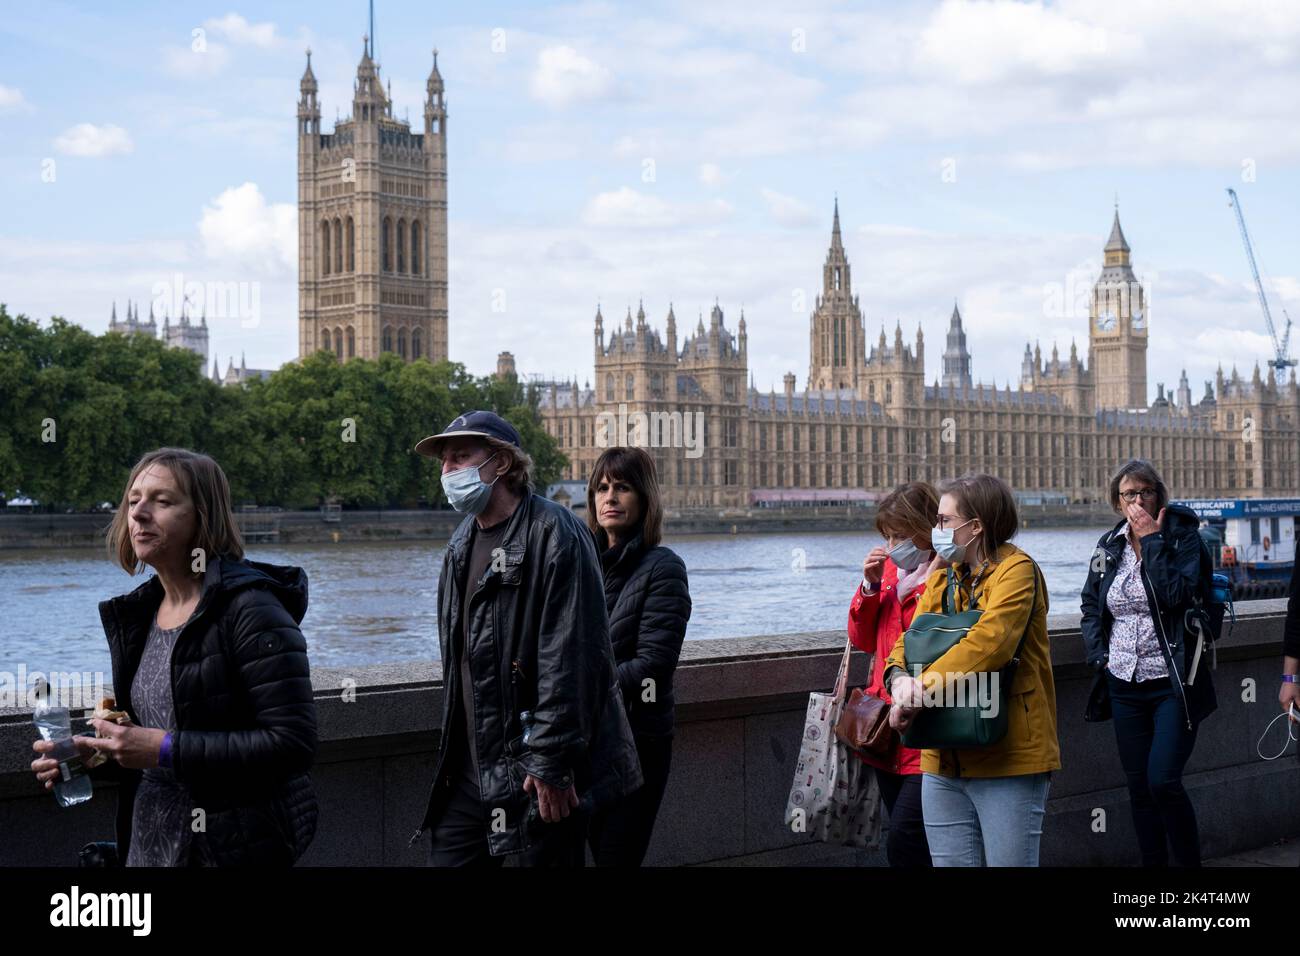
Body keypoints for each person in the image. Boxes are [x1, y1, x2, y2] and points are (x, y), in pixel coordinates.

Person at [31, 448, 318, 866]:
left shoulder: (253, 611)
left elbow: (293, 746)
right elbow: (154, 743)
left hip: (225, 849)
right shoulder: (140, 613)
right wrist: (95, 754)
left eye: (162, 501)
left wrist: (164, 748)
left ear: (204, 516)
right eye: (133, 501)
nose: (139, 514)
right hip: (149, 845)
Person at [409, 411, 642, 866]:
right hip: (468, 777)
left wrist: (551, 762)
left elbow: (572, 658)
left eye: (460, 457)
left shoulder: (556, 533)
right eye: (443, 461)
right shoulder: (459, 545)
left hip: (533, 778)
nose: (447, 470)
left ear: (499, 464)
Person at [882, 473, 1060, 867]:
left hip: (1009, 757)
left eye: (944, 521)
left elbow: (988, 645)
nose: (936, 530)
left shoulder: (1018, 572)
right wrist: (897, 682)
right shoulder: (943, 577)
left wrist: (921, 688)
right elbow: (909, 641)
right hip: (943, 757)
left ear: (975, 526)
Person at [1081, 459, 1217, 867]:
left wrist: (1153, 541)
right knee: (1139, 789)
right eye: (1129, 494)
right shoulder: (1108, 545)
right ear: (1117, 501)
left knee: (1163, 781)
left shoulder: (1184, 539)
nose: (1137, 500)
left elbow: (1176, 595)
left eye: (1145, 492)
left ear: (1159, 496)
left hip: (1173, 680)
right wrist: (1099, 656)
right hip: (1123, 682)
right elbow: (1090, 604)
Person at [584, 447, 691, 866]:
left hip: (637, 742)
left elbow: (653, 666)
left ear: (645, 498)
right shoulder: (580, 564)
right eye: (602, 488)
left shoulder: (664, 568)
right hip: (585, 740)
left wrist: (580, 686)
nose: (610, 498)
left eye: (623, 488)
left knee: (616, 857)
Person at [846, 481, 944, 867]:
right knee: (907, 837)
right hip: (884, 729)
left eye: (900, 535)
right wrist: (868, 588)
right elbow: (864, 639)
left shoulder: (950, 571)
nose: (892, 545)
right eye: (887, 536)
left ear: (925, 528)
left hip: (929, 724)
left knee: (906, 839)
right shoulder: (887, 572)